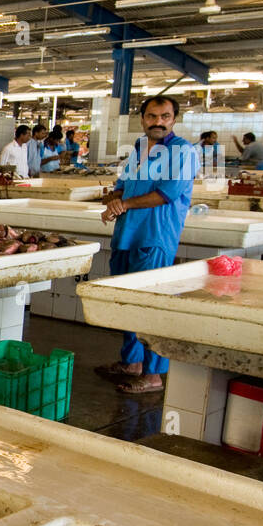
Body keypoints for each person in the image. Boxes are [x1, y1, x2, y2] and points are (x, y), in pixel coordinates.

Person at [98, 95, 198, 395]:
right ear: (142, 119)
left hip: (155, 236)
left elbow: (166, 194)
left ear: (174, 120)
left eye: (165, 116)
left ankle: (154, 375)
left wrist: (123, 204)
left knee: (150, 305)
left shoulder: (183, 151)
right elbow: (123, 186)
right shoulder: (139, 148)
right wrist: (113, 201)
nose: (158, 122)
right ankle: (132, 363)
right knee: (129, 302)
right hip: (127, 234)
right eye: (152, 116)